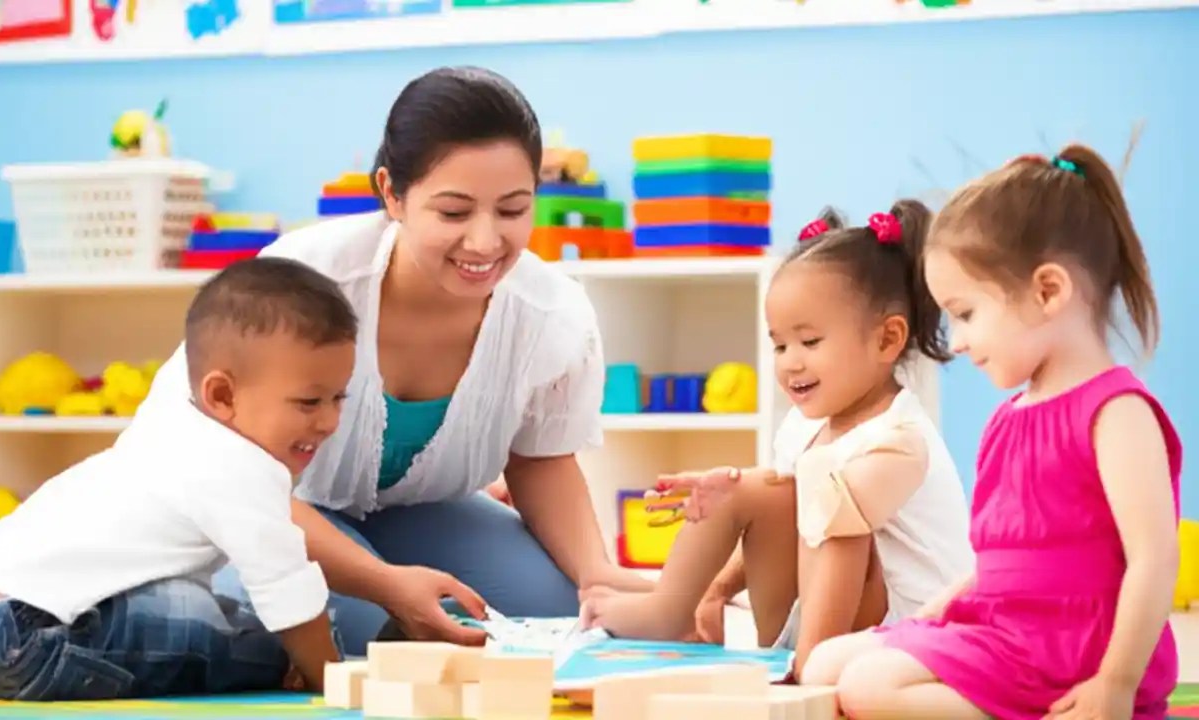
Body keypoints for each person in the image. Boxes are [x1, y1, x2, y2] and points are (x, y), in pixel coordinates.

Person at [138, 65, 650, 657]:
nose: (485, 242)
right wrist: (383, 583)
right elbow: (221, 473)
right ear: (391, 193)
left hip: (418, 514)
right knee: (356, 631)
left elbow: (539, 461)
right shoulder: (305, 283)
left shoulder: (551, 313)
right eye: (454, 213)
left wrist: (595, 574)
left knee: (565, 617)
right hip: (263, 509)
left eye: (512, 210)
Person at [801, 146, 1182, 720]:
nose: (954, 341)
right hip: (1004, 629)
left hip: (1069, 649)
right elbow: (1000, 560)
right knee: (826, 665)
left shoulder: (1117, 412)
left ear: (1049, 291)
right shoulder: (1010, 417)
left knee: (868, 689)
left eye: (966, 314)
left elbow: (1154, 557)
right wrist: (931, 613)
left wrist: (1116, 683)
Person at [580, 200, 974, 680]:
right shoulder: (806, 427)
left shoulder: (901, 437)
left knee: (833, 504)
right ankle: (672, 609)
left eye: (809, 343)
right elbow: (783, 510)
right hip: (821, 616)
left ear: (887, 341)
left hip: (904, 635)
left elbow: (832, 521)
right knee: (747, 487)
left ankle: (810, 669)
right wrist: (719, 586)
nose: (789, 362)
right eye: (779, 344)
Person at [0, 257, 354, 700]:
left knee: (201, 602)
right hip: (28, 635)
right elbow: (288, 593)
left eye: (338, 397)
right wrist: (331, 677)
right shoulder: (239, 466)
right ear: (222, 395)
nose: (329, 421)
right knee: (262, 638)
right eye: (309, 402)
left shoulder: (169, 431)